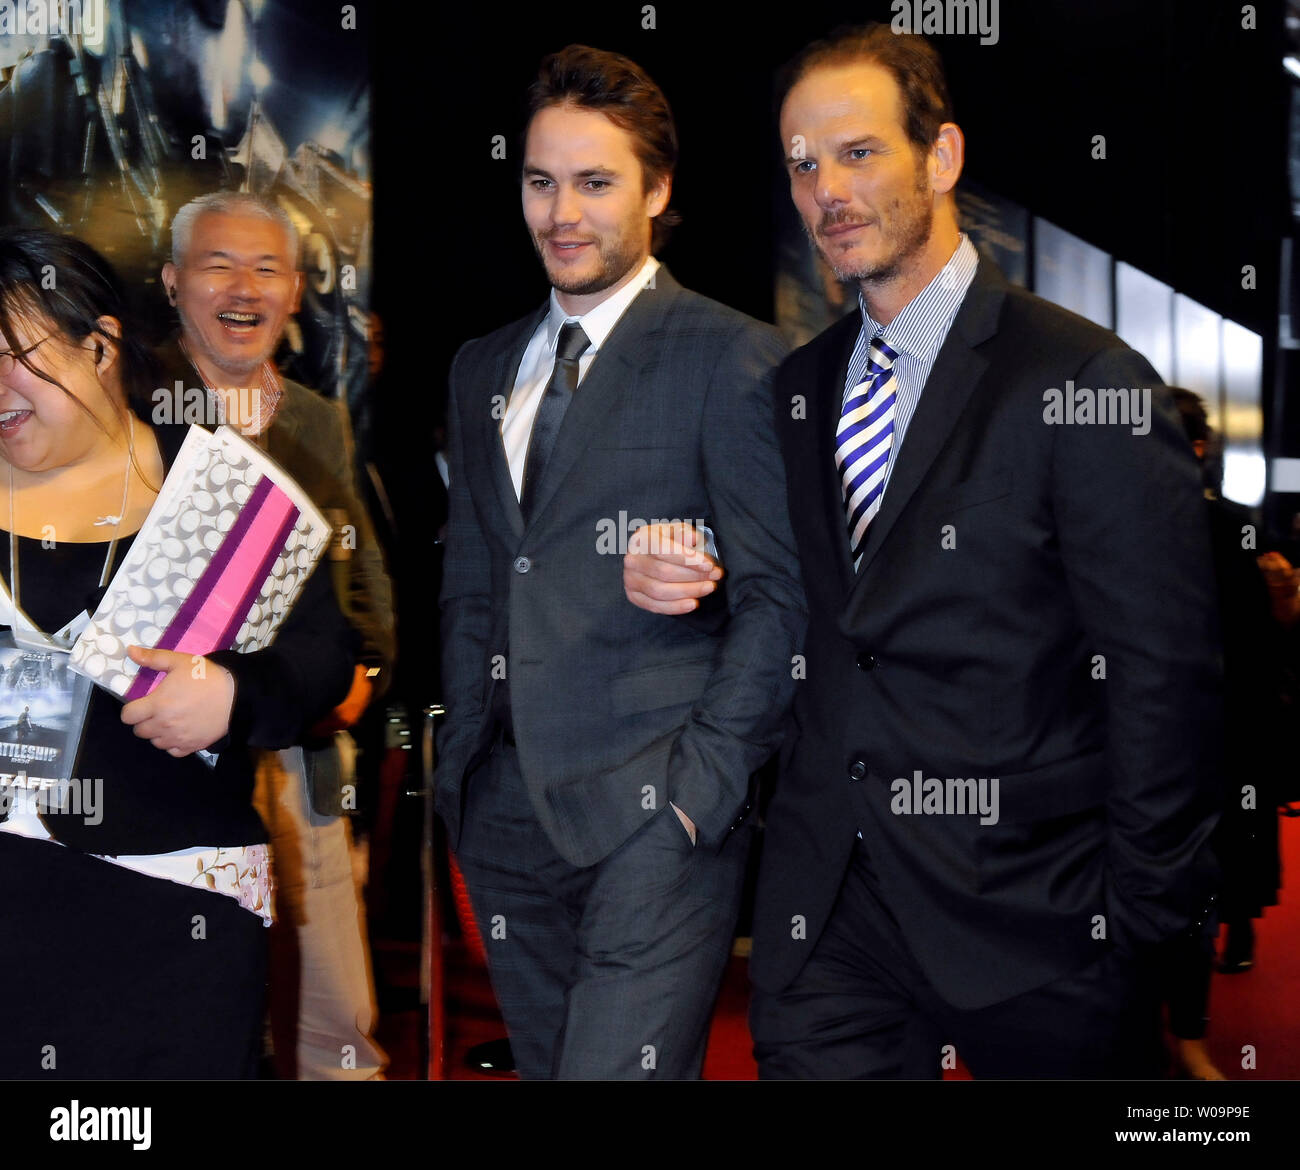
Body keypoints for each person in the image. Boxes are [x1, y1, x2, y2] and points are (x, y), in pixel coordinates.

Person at [625, 24, 1222, 1078]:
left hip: (1034, 913)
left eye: (858, 153)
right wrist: (689, 575)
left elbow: (1162, 674)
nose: (826, 191)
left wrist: (1140, 922)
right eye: (802, 165)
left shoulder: (1082, 376)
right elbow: (825, 610)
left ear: (940, 157)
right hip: (830, 916)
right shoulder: (800, 387)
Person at [435, 44, 805, 1080]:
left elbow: (782, 600)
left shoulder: (730, 355)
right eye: (541, 181)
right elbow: (474, 577)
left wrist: (702, 790)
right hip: (503, 810)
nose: (562, 212)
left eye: (595, 183)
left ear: (658, 188)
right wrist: (460, 766)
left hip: (657, 810)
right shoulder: (479, 368)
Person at [0, 227, 355, 1078]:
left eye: (14, 354)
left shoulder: (217, 497)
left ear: (100, 344)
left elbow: (324, 660)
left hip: (179, 905)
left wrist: (232, 692)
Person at [155, 191, 395, 1080]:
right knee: (197, 1010)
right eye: (219, 264)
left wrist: (361, 677)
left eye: (267, 268)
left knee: (334, 1026)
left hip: (302, 756)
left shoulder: (316, 419)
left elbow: (364, 580)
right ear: (175, 282)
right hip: (165, 763)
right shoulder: (127, 408)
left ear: (296, 292)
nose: (244, 287)